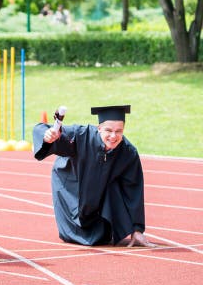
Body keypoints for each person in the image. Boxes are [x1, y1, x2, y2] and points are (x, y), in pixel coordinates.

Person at [33, 105, 154, 247]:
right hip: (70, 188)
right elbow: (50, 131)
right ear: (99, 128)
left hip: (99, 196)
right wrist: (48, 136)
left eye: (118, 131)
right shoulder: (81, 135)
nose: (113, 136)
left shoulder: (128, 153)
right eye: (108, 130)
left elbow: (133, 190)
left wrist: (137, 229)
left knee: (102, 236)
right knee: (71, 236)